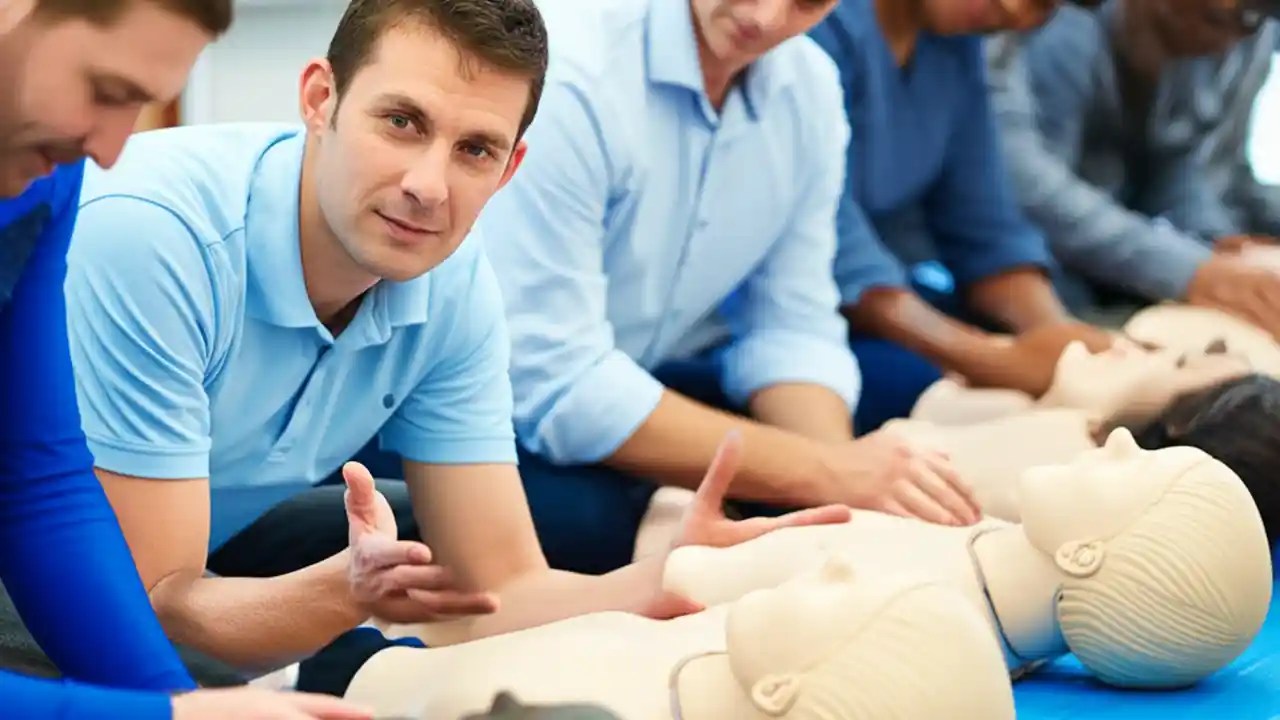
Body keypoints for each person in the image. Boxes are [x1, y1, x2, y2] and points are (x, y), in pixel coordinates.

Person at [60, 0, 848, 677]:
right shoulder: (152, 239)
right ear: (318, 98)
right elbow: (150, 608)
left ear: (510, 169)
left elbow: (505, 585)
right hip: (48, 567)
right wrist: (343, 594)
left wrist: (666, 573)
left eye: (475, 150)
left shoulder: (456, 281)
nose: (429, 187)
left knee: (409, 540)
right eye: (401, 123)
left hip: (195, 536)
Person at [475, 0, 981, 576]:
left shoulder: (809, 89)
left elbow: (792, 327)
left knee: (878, 415)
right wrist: (830, 472)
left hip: (627, 369)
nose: (764, 18)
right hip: (467, 404)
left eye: (806, 2)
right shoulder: (570, 68)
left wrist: (845, 496)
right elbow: (556, 382)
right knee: (591, 519)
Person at [0, 0, 371, 718]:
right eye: (106, 93)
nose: (110, 149)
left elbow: (36, 479)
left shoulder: (45, 177)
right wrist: (164, 715)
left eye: (138, 105)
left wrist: (169, 701)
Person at [804, 0, 1115, 427]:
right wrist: (986, 357)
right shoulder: (813, 19)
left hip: (877, 301)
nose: (1014, 12)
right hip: (773, 313)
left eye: (1044, 6)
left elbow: (984, 227)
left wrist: (1064, 345)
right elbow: (824, 230)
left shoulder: (955, 47)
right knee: (934, 390)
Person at [987, 0, 1280, 336]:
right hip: (1038, 264)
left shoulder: (1186, 45)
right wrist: (1188, 269)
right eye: (1221, 19)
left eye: (1252, 24)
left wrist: (1218, 244)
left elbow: (1170, 161)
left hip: (1108, 255)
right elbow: (1029, 194)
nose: (1232, 40)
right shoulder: (1066, 31)